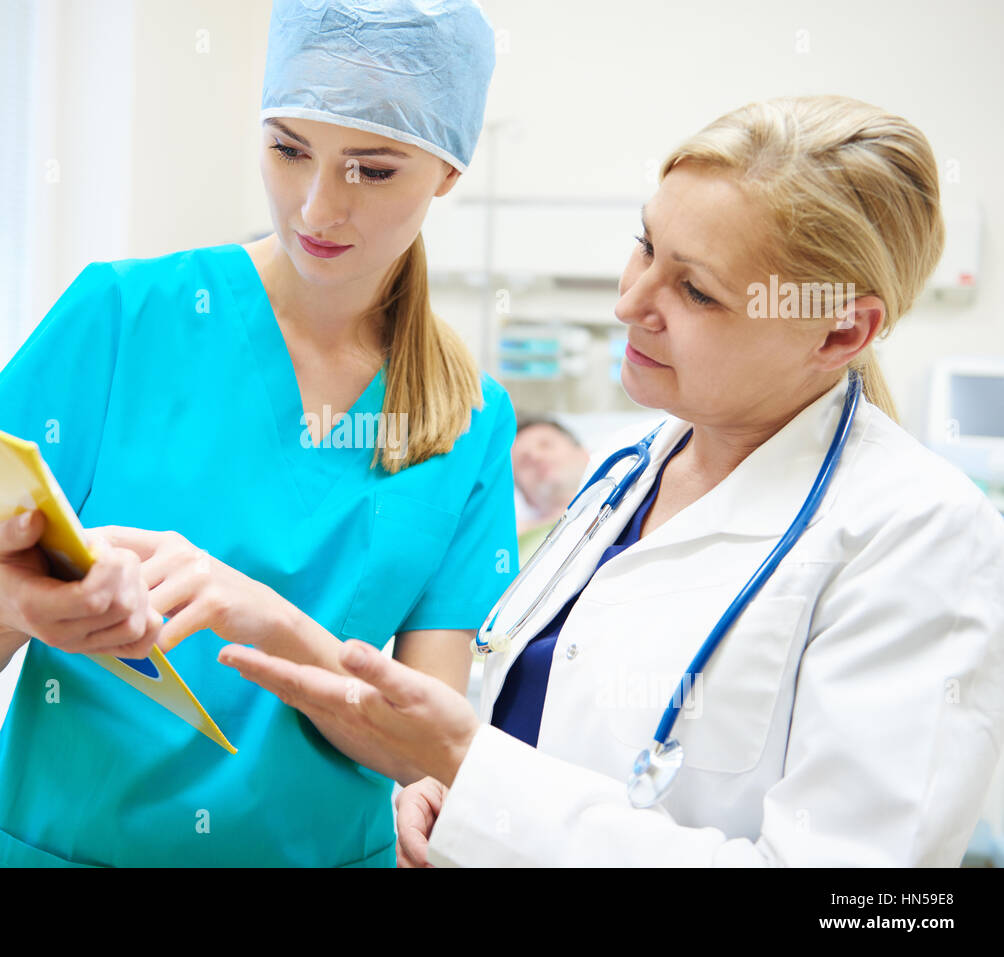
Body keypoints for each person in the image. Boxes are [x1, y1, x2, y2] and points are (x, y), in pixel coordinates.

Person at [220, 95, 1004, 867]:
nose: (629, 302)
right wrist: (446, 793)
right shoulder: (630, 470)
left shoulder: (919, 535)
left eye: (695, 291)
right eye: (644, 245)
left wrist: (471, 766)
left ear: (842, 329)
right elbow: (532, 739)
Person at [0, 0, 517, 867]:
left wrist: (268, 621)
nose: (316, 206)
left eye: (372, 170)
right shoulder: (119, 316)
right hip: (59, 844)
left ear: (448, 172)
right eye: (288, 148)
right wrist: (1, 602)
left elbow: (423, 747)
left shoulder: (472, 421)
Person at [512, 416, 590, 564]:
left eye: (546, 445)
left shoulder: (632, 504)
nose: (536, 456)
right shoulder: (508, 548)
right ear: (525, 495)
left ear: (584, 454)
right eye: (524, 461)